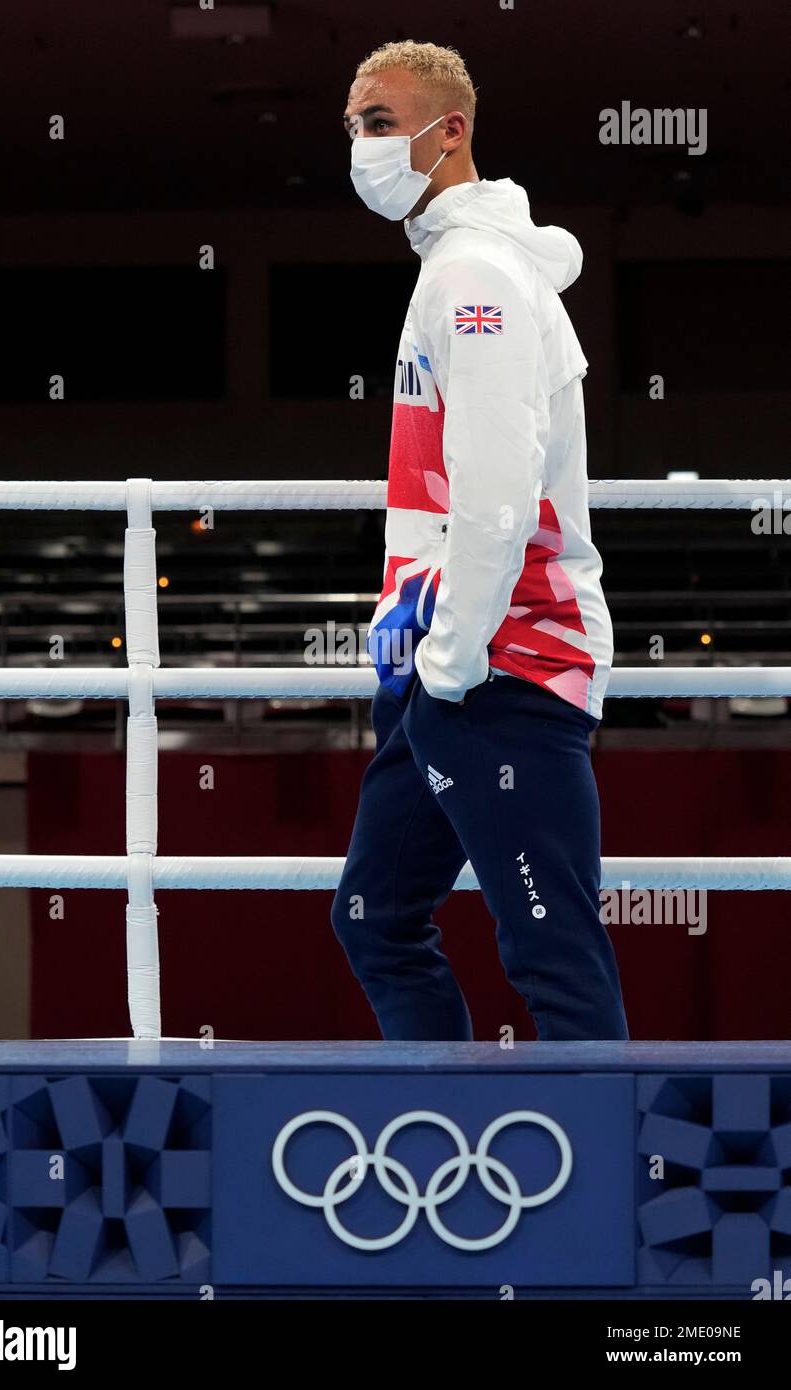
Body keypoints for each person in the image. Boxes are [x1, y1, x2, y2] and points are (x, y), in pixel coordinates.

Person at [332, 40, 628, 1042]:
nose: (362, 146)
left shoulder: (476, 278)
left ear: (448, 130)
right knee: (374, 918)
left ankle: (588, 1154)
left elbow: (497, 498)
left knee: (552, 954)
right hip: (449, 669)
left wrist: (450, 663)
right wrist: (430, 661)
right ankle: (441, 1134)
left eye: (380, 122)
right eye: (353, 127)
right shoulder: (457, 268)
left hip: (505, 666)